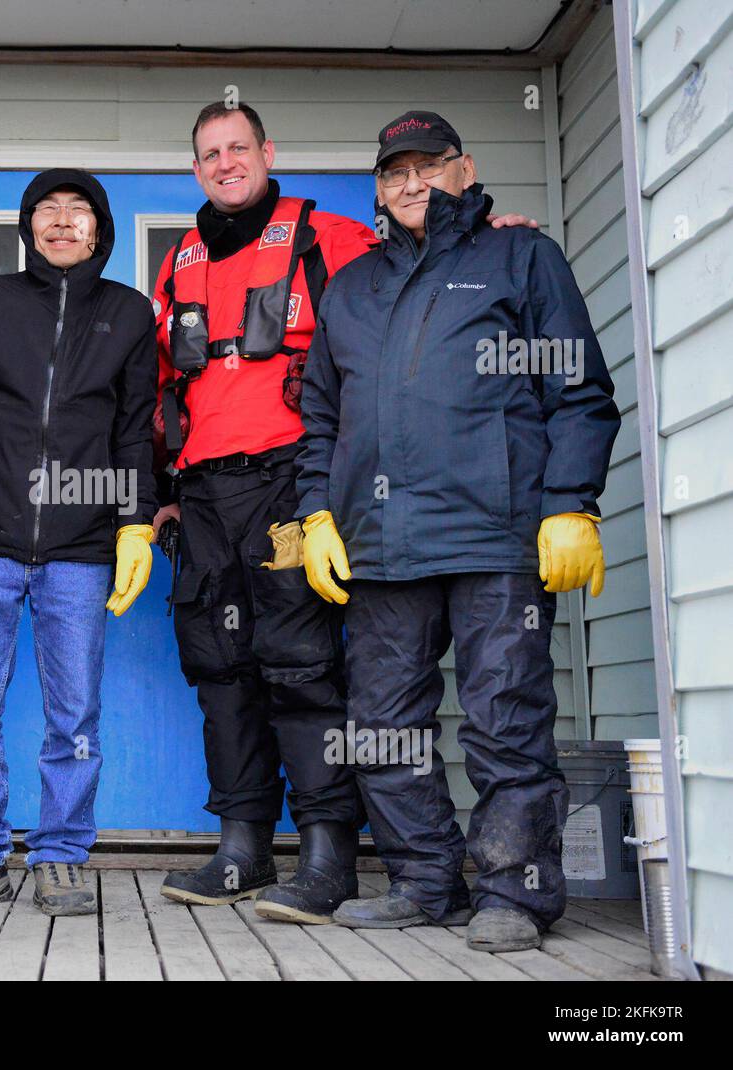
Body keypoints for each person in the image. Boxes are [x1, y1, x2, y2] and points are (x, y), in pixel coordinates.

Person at [152, 100, 539, 924]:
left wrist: (496, 229)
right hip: (204, 496)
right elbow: (162, 386)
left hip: (291, 484)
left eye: (238, 148)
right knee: (221, 672)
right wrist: (157, 494)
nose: (225, 163)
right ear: (195, 170)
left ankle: (328, 851)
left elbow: (424, 265)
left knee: (301, 668)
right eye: (209, 154)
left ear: (267, 151)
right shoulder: (177, 262)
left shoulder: (329, 236)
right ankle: (242, 845)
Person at [295, 111, 620, 952]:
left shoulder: (521, 258)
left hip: (496, 537)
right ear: (377, 186)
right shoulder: (352, 287)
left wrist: (569, 503)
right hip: (381, 546)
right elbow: (320, 418)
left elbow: (579, 393)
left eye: (428, 167)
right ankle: (423, 879)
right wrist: (316, 515)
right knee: (384, 720)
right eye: (394, 171)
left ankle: (515, 891)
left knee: (503, 718)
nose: (412, 184)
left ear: (464, 169)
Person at [0, 169, 158, 916]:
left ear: (100, 230)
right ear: (28, 227)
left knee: (75, 712)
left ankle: (61, 853)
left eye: (77, 211)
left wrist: (132, 522)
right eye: (46, 210)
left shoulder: (129, 313)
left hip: (82, 547)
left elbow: (134, 431)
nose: (62, 222)